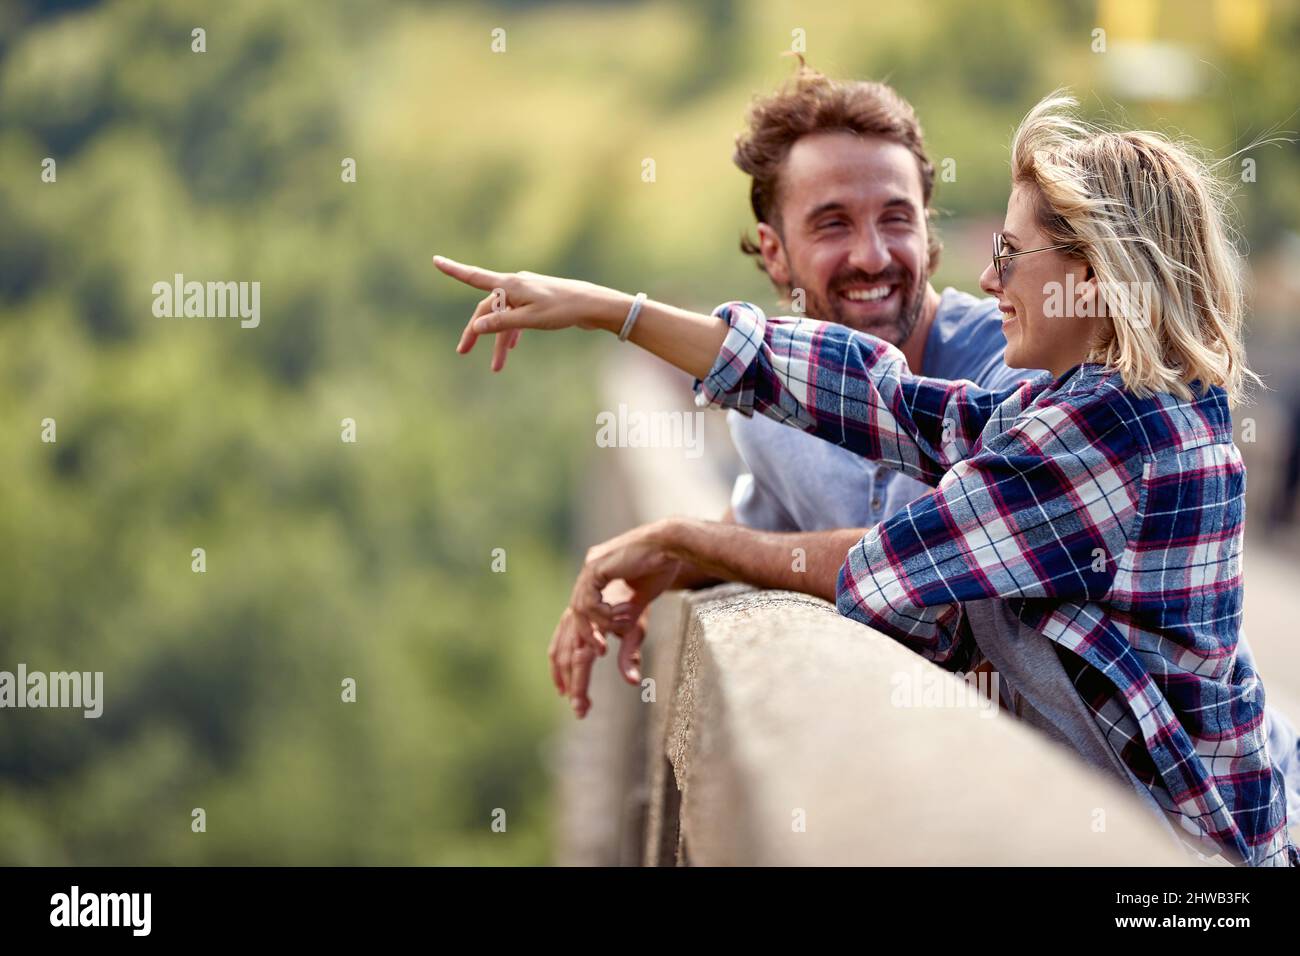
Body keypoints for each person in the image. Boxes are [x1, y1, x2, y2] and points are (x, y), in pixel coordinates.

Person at [433, 92, 1297, 866]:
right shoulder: (1097, 404)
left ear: (1095, 275)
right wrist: (611, 310)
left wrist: (690, 539)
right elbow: (886, 402)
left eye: (1013, 253)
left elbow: (881, 572)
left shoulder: (1108, 435)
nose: (990, 278)